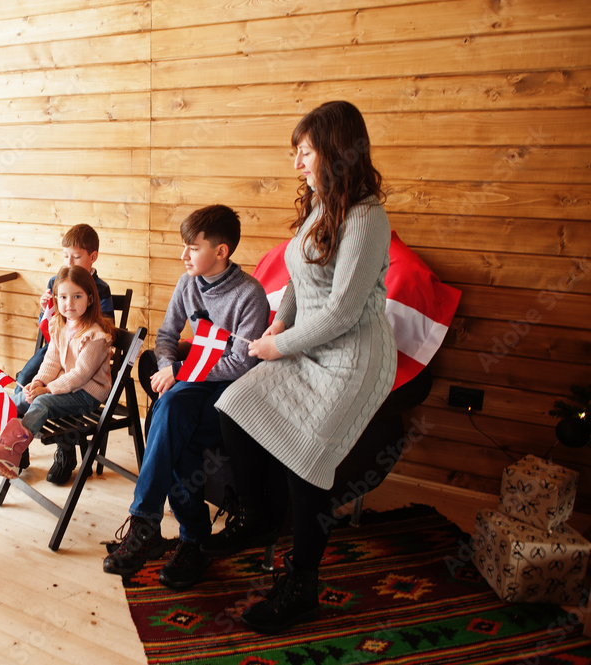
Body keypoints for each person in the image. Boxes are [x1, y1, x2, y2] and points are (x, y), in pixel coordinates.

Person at [211, 101, 397, 632]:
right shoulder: (319, 207)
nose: (297, 163)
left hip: (354, 358)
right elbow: (298, 278)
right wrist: (277, 325)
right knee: (234, 405)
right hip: (304, 342)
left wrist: (280, 346)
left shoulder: (367, 217)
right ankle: (259, 516)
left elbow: (341, 310)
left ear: (335, 153)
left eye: (306, 152)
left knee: (308, 462)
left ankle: (302, 585)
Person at [102, 204, 269, 589]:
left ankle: (148, 527)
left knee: (169, 411)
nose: (184, 255)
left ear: (221, 251)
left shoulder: (250, 295)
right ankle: (189, 540)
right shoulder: (187, 283)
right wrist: (166, 366)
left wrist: (178, 373)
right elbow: (165, 337)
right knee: (173, 419)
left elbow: (241, 364)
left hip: (230, 396)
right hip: (190, 385)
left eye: (192, 248)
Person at [0, 223, 113, 485]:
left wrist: (47, 390)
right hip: (64, 378)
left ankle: (10, 450)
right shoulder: (61, 323)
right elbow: (51, 359)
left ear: (90, 298)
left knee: (42, 402)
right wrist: (39, 382)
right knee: (19, 394)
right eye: (63, 298)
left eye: (77, 297)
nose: (68, 304)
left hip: (86, 392)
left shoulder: (95, 335)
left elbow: (80, 375)